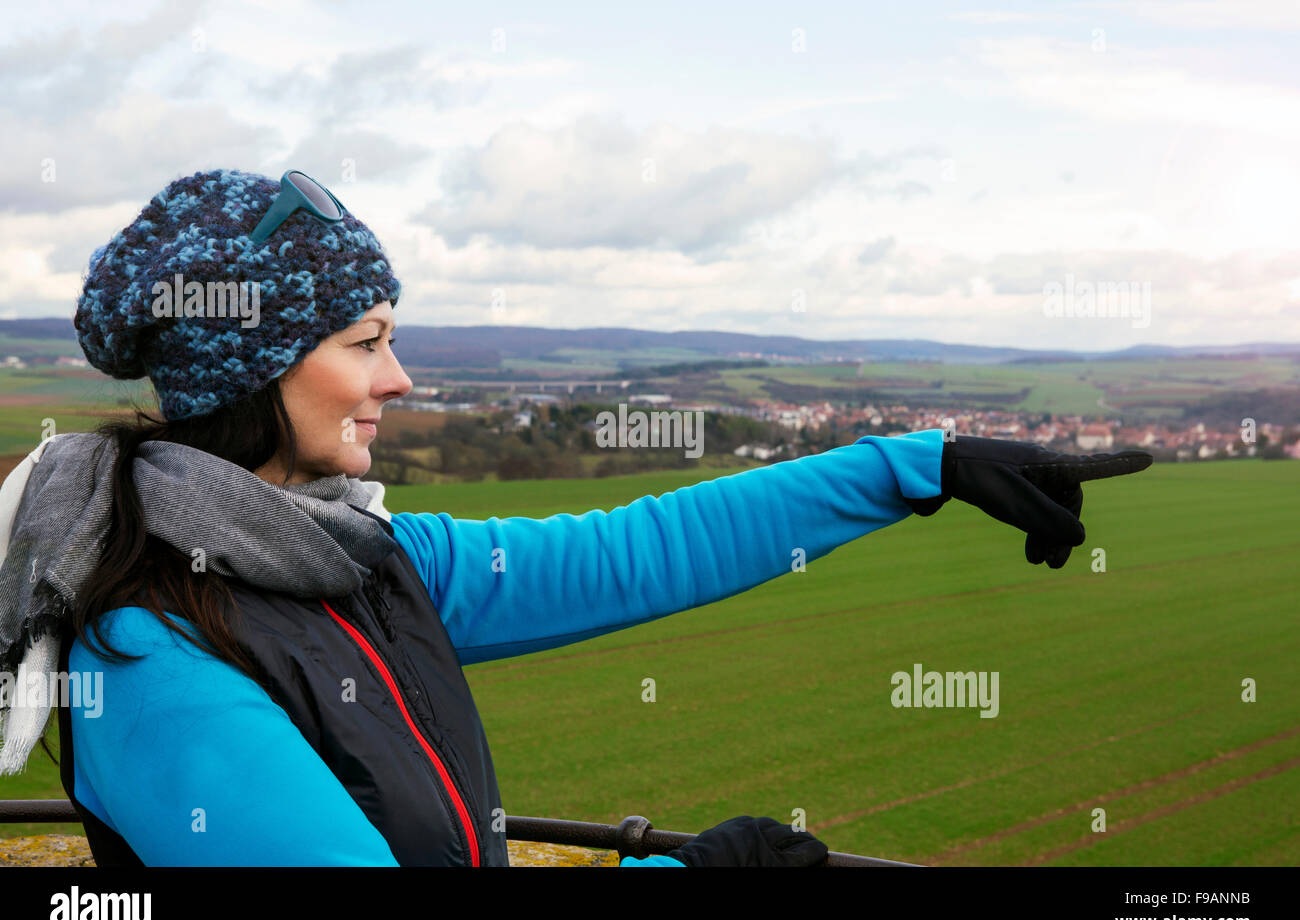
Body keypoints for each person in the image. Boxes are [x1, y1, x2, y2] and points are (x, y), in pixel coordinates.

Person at [0, 169, 1152, 867]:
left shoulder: (347, 554)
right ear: (249, 375)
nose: (399, 379)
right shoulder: (151, 654)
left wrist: (922, 462)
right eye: (366, 342)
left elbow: (639, 547)